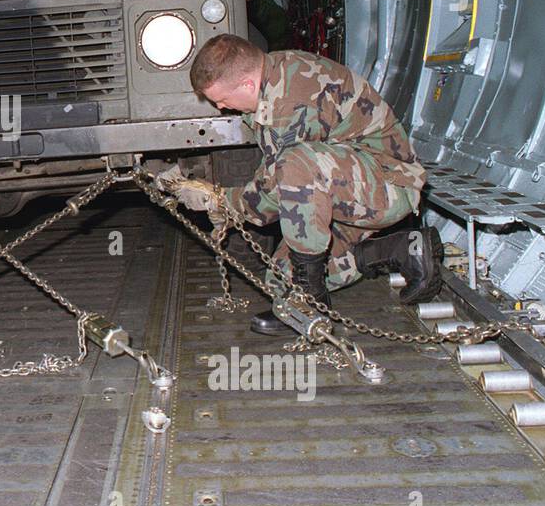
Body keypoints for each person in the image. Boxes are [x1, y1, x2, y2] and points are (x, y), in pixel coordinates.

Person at [180, 34, 441, 334]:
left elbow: (275, 192)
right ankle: (398, 250)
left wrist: (220, 200)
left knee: (296, 164)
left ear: (247, 85)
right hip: (345, 187)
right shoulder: (273, 78)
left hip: (387, 186)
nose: (222, 108)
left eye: (222, 99)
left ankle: (311, 301)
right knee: (280, 279)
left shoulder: (291, 99)